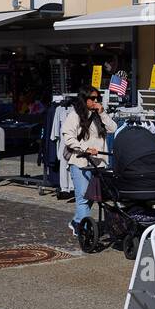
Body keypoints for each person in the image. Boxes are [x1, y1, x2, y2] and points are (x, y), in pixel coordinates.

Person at [61, 85, 116, 234]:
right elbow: (68, 136)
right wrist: (84, 149)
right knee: (83, 197)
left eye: (97, 98)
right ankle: (84, 232)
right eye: (92, 98)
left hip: (99, 162)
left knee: (93, 196)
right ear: (84, 99)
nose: (95, 101)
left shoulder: (99, 114)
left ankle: (77, 222)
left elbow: (113, 128)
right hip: (80, 161)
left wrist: (102, 113)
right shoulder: (75, 115)